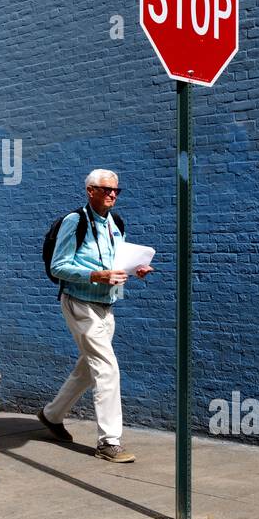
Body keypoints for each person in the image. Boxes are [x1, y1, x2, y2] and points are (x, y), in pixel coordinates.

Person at [38, 169, 152, 462]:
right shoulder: (74, 222)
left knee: (88, 368)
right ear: (90, 191)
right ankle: (109, 441)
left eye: (116, 190)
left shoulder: (117, 223)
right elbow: (58, 267)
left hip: (106, 305)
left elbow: (117, 261)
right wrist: (95, 275)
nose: (113, 194)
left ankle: (52, 415)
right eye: (106, 190)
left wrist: (133, 269)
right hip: (79, 302)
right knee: (106, 367)